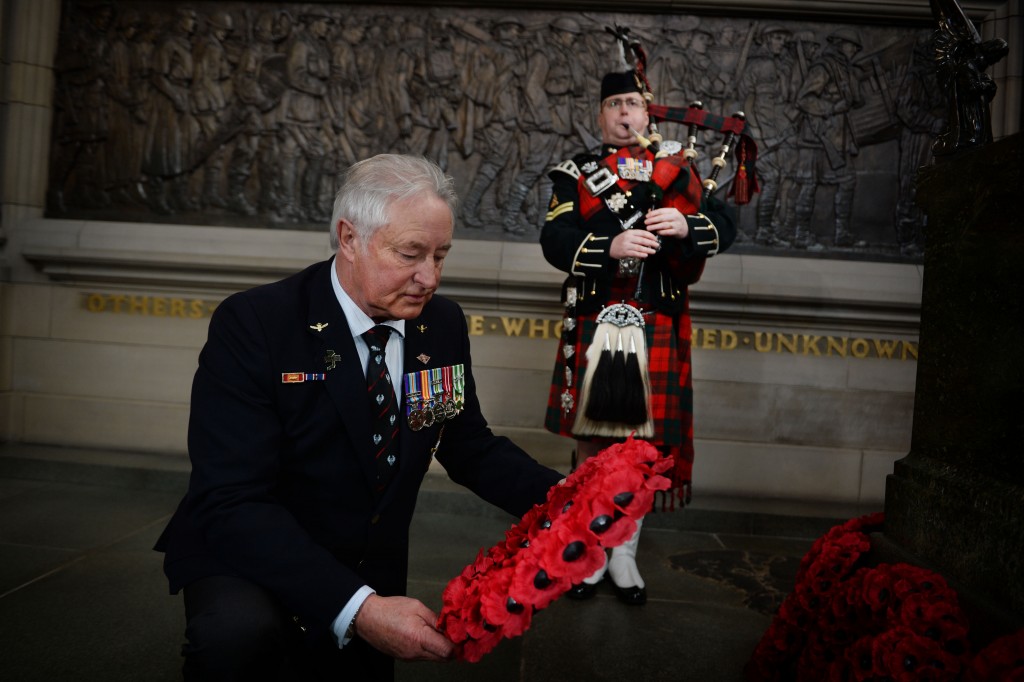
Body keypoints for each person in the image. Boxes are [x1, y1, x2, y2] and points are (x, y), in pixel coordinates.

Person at [155, 153, 564, 681]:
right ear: (349, 238)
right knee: (239, 637)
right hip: (248, 552)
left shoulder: (438, 325)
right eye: (411, 253)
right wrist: (362, 608)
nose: (430, 277)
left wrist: (574, 500)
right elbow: (231, 498)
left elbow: (465, 444)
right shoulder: (257, 323)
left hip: (367, 561)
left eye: (441, 255)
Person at [541, 71, 736, 605]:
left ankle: (623, 551)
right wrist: (610, 244)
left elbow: (726, 223)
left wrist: (685, 225)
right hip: (595, 318)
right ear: (600, 115)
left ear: (648, 113)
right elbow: (554, 238)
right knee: (591, 440)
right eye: (614, 105)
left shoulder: (678, 170)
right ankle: (585, 549)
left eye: (633, 104)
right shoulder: (575, 173)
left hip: (657, 320)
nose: (625, 114)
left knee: (643, 446)